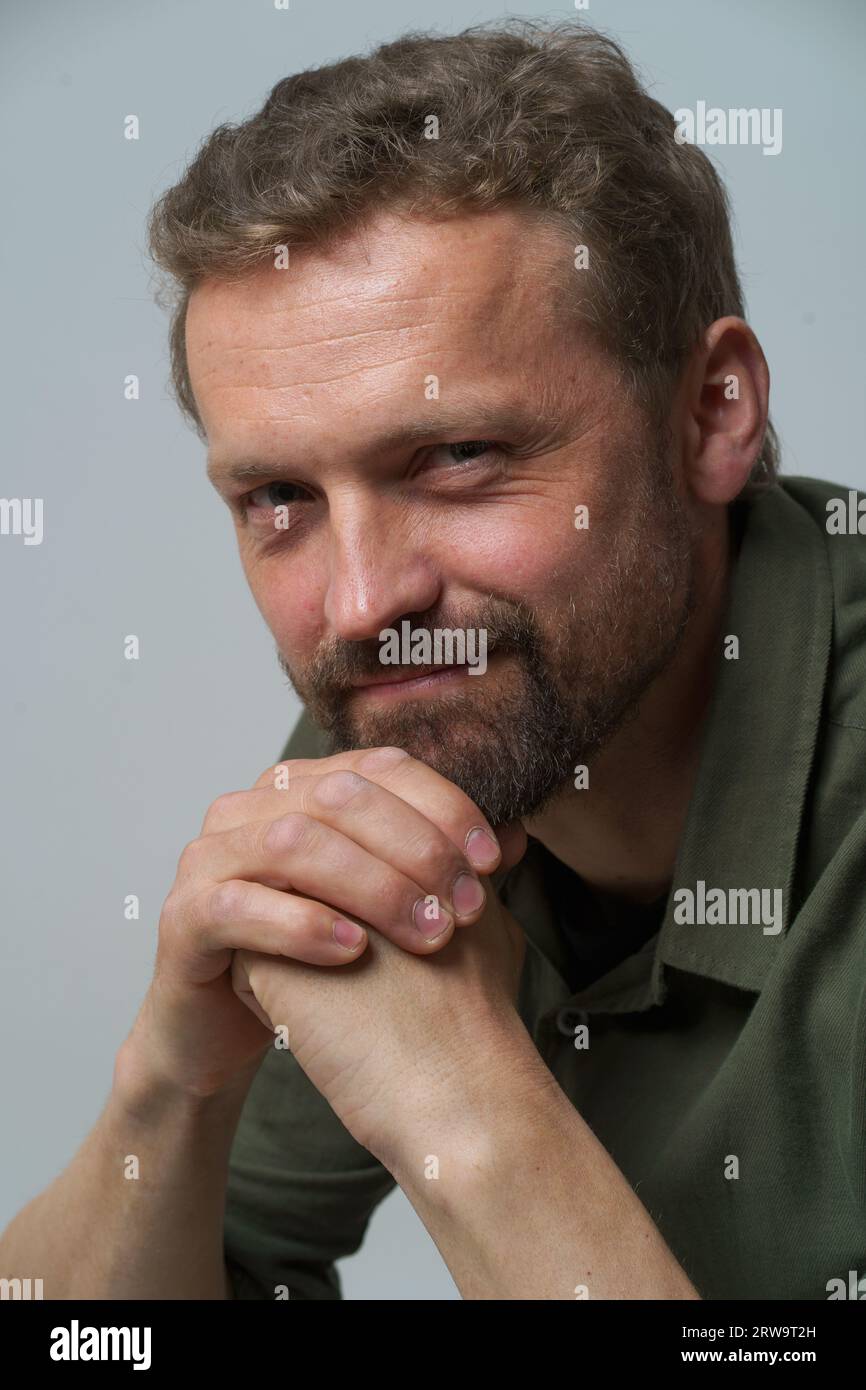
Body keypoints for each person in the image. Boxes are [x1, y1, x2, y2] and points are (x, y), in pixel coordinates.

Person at [2, 19, 864, 1302]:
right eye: (280, 495)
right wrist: (167, 1092)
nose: (358, 602)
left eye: (456, 457)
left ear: (709, 411)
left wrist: (468, 1116)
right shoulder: (440, 696)